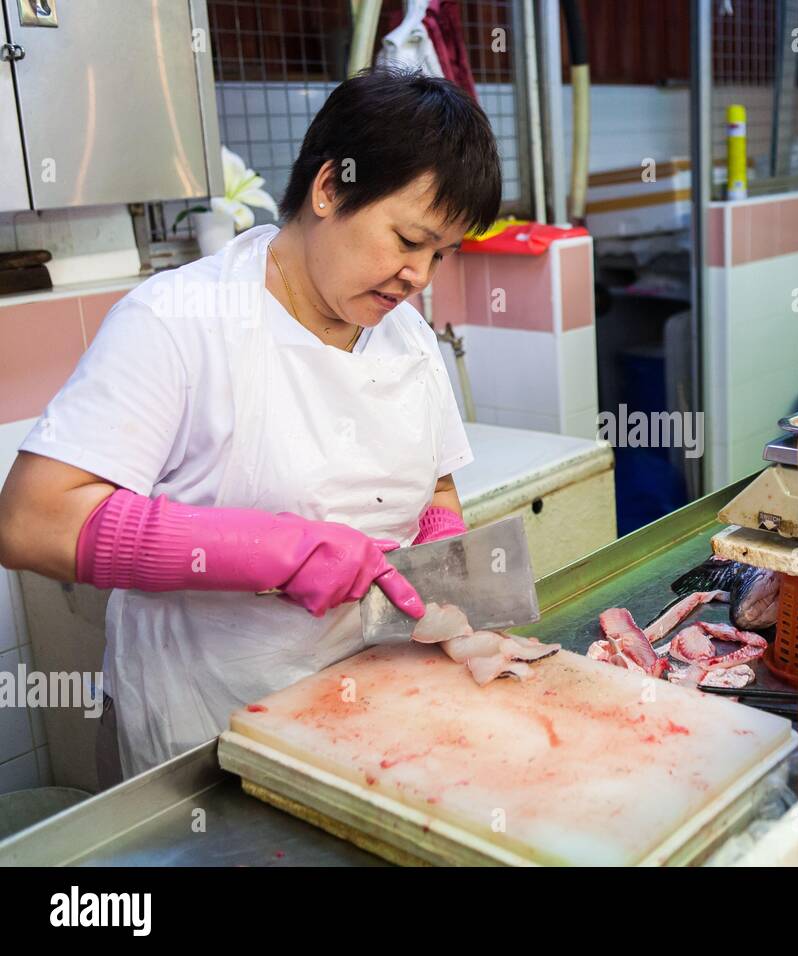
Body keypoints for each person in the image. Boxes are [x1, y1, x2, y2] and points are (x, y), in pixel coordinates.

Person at [0, 70, 501, 783]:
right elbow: (29, 521)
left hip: (375, 723)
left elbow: (437, 489)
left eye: (439, 254)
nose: (418, 275)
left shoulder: (408, 338)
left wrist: (442, 555)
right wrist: (277, 553)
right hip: (208, 734)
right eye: (407, 239)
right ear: (329, 188)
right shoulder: (178, 321)